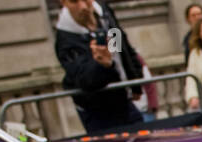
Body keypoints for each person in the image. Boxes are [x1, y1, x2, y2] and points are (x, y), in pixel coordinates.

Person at [54, 0, 144, 133]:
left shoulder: (105, 15)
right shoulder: (65, 39)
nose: (83, 7)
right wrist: (102, 65)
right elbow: (84, 79)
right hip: (98, 112)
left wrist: (134, 81)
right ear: (63, 3)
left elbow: (121, 49)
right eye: (74, 1)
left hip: (125, 102)